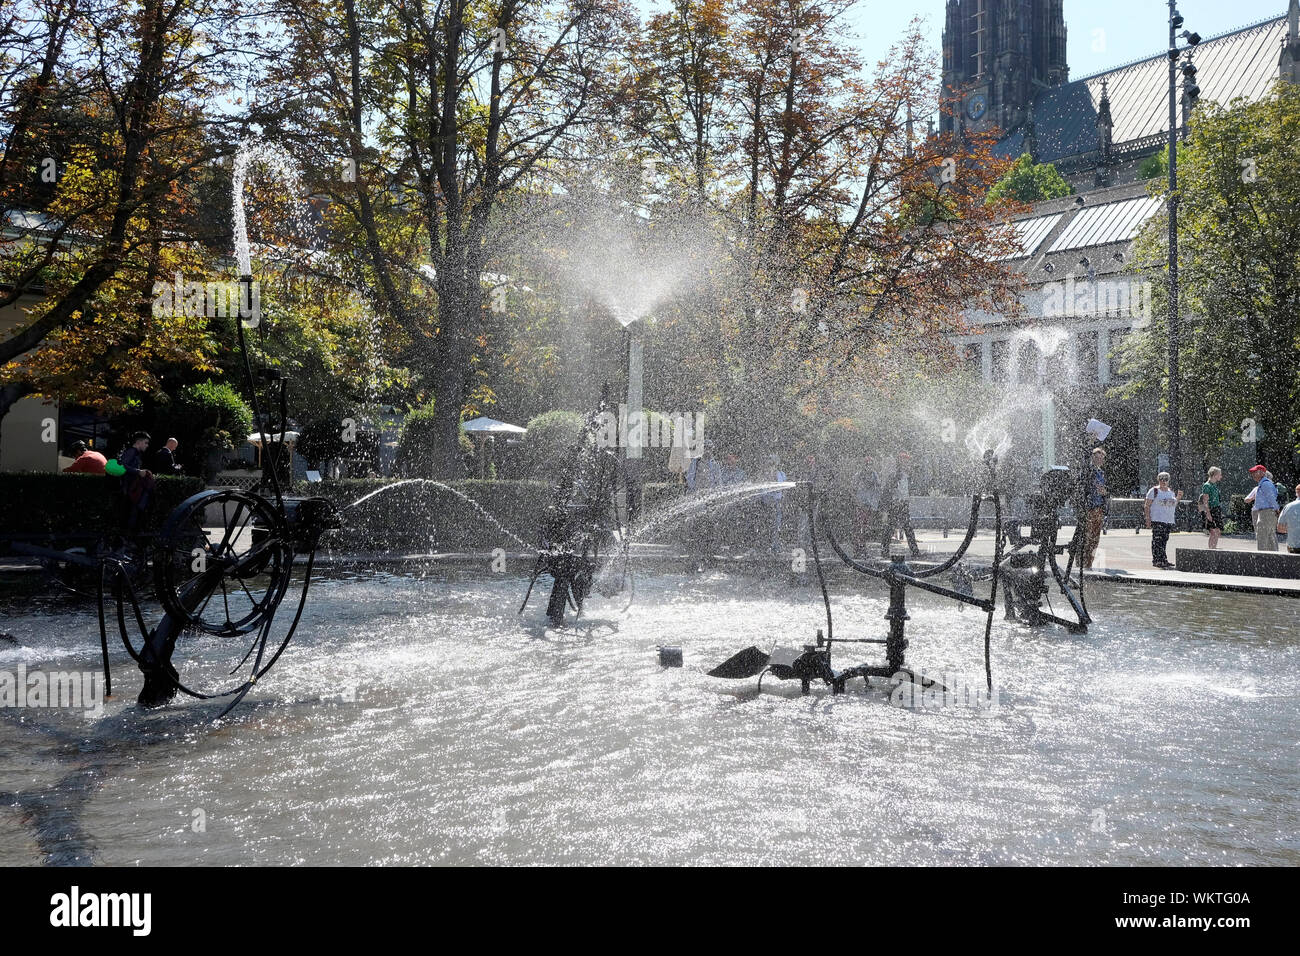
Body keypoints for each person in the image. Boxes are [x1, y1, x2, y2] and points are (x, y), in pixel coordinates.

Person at [879, 451, 920, 558]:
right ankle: (885, 550)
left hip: (903, 504)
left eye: (908, 462)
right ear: (900, 462)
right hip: (896, 504)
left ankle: (914, 550)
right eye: (905, 461)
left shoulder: (907, 475)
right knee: (892, 528)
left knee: (906, 527)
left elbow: (906, 490)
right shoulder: (896, 475)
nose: (907, 464)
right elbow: (889, 490)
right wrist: (889, 505)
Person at [119, 431, 156, 535]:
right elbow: (123, 466)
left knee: (131, 517)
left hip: (131, 491)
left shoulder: (134, 453)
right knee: (130, 518)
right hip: (129, 491)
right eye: (146, 442)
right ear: (138, 442)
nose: (147, 445)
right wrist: (138, 471)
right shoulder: (132, 451)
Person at [1143, 472, 1182, 569]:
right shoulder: (1154, 491)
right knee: (1157, 540)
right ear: (1158, 480)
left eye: (1166, 479)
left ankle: (1163, 559)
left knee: (1164, 540)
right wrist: (1148, 518)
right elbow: (1147, 505)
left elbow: (1173, 505)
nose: (1163, 481)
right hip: (1157, 519)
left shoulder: (1170, 492)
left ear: (1168, 480)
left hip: (1167, 520)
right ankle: (1157, 560)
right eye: (1161, 479)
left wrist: (1178, 498)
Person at [1082, 447, 1108, 568]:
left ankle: (1089, 562)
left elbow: (1106, 490)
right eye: (1097, 458)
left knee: (1095, 538)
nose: (1099, 460)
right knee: (1087, 536)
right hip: (1089, 507)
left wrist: (1105, 492)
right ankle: (1082, 562)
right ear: (1092, 458)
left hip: (1099, 508)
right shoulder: (1089, 470)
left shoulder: (1102, 473)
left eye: (1101, 458)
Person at [1248, 464, 1279, 552]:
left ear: (1262, 473)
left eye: (1255, 472)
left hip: (1266, 513)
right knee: (1269, 536)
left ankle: (1262, 559)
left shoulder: (1265, 484)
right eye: (1252, 473)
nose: (1253, 474)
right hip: (1266, 512)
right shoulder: (1264, 483)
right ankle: (1273, 557)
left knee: (1262, 537)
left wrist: (1277, 509)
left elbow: (1271, 498)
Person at [761, 453, 787, 553]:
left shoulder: (782, 474)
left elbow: (784, 491)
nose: (770, 465)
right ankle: (767, 546)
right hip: (767, 504)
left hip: (777, 504)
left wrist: (783, 503)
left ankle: (776, 546)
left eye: (772, 462)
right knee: (767, 525)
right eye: (769, 463)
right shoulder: (765, 475)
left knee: (777, 526)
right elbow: (762, 490)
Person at [1198, 466, 1224, 550]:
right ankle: (1211, 549)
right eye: (1220, 474)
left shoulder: (1214, 485)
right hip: (1211, 509)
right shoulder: (1207, 485)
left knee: (1217, 531)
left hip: (1216, 509)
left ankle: (1214, 548)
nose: (1221, 476)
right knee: (1213, 531)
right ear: (1215, 475)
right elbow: (1205, 501)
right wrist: (1208, 513)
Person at [1276, 485, 1300, 555]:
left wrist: (1292, 529)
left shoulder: (1288, 507)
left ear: (1296, 493)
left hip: (1293, 546)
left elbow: (1280, 529)